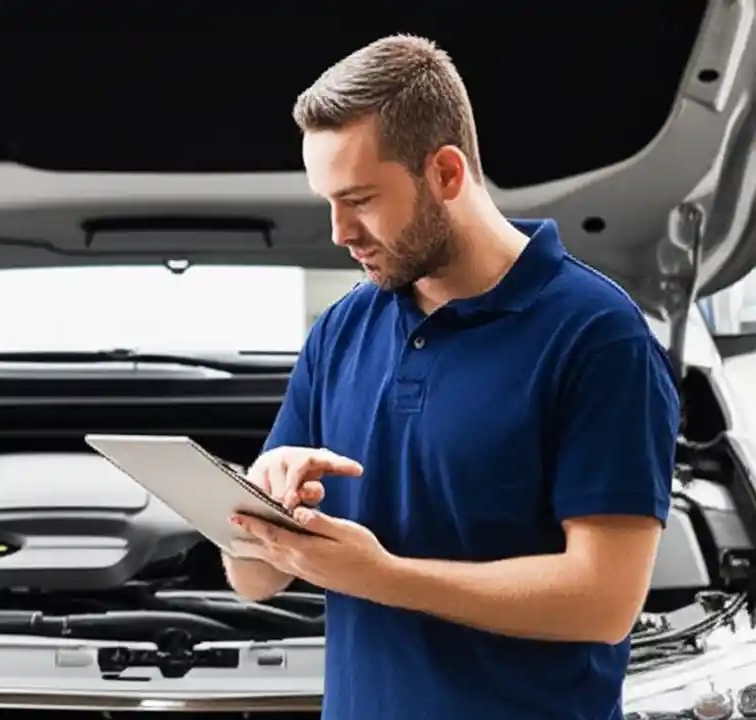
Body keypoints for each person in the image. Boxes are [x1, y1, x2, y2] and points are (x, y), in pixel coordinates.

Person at [222, 34, 679, 719]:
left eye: (361, 199)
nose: (340, 231)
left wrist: (384, 579)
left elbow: (604, 602)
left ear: (445, 173)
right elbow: (253, 580)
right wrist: (261, 502)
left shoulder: (597, 336)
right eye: (328, 202)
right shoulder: (341, 329)